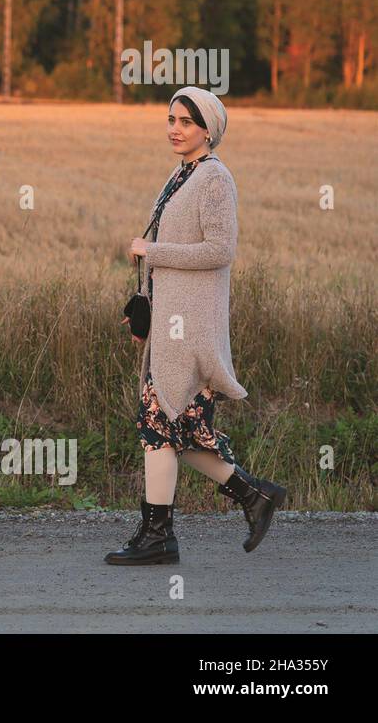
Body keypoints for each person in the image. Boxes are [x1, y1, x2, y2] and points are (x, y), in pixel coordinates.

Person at [106, 86, 286, 565]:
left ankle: (160, 534)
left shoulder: (214, 180)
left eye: (185, 121)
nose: (175, 129)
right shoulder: (181, 175)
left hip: (192, 326)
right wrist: (144, 304)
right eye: (171, 119)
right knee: (169, 429)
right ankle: (251, 496)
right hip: (171, 321)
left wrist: (153, 252)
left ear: (208, 129)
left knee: (160, 425)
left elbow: (219, 250)